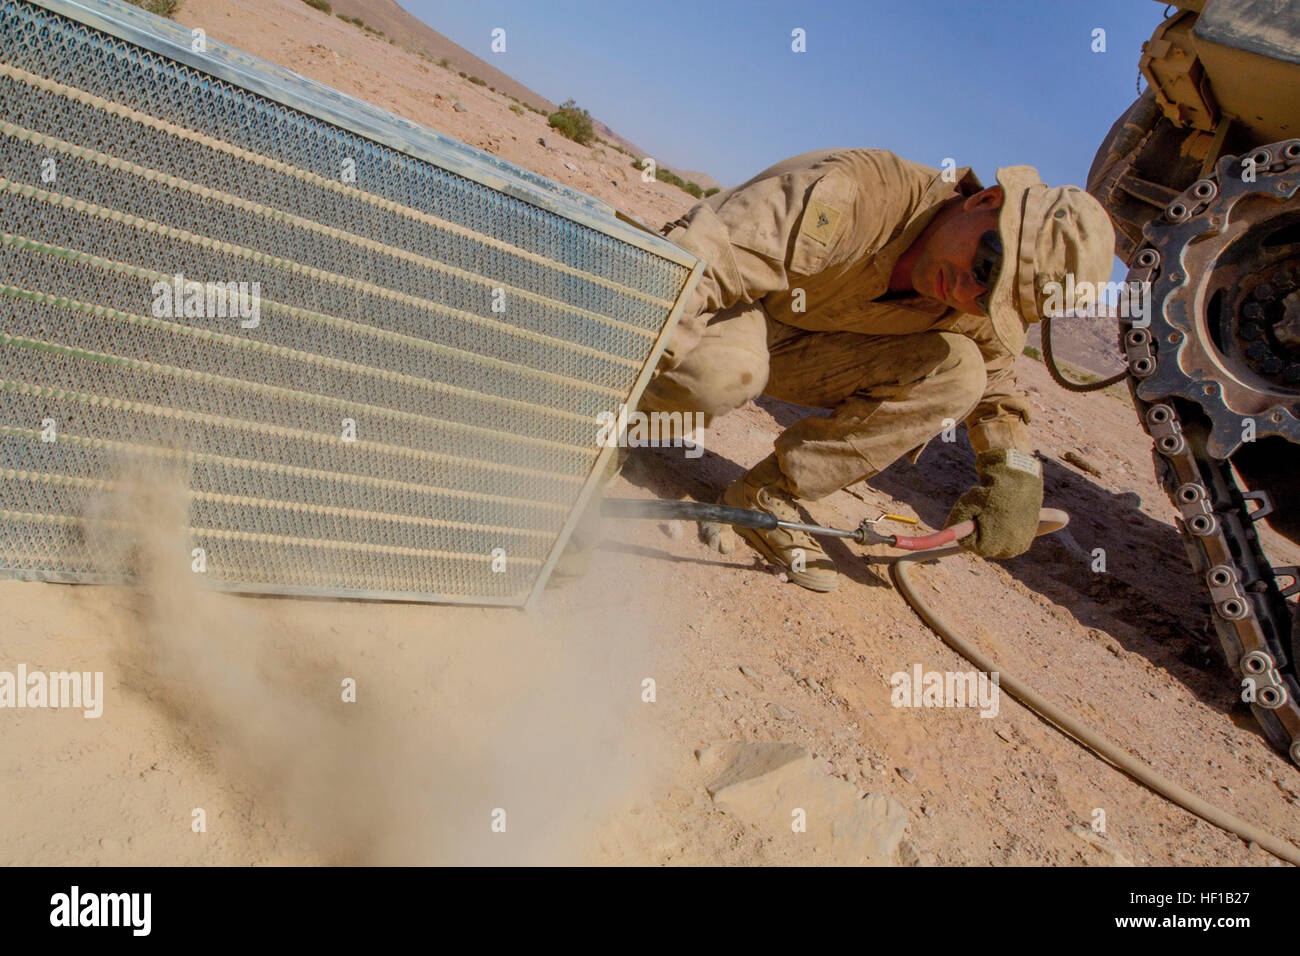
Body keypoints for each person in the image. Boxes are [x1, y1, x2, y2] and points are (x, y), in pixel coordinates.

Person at [639, 148, 1115, 592]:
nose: (971, 290)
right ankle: (620, 428)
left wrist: (1015, 477)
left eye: (993, 299)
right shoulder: (858, 192)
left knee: (962, 371)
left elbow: (997, 391)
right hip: (725, 302)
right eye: (988, 266)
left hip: (798, 350)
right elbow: (697, 269)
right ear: (985, 201)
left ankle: (762, 495)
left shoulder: (972, 302)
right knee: (722, 372)